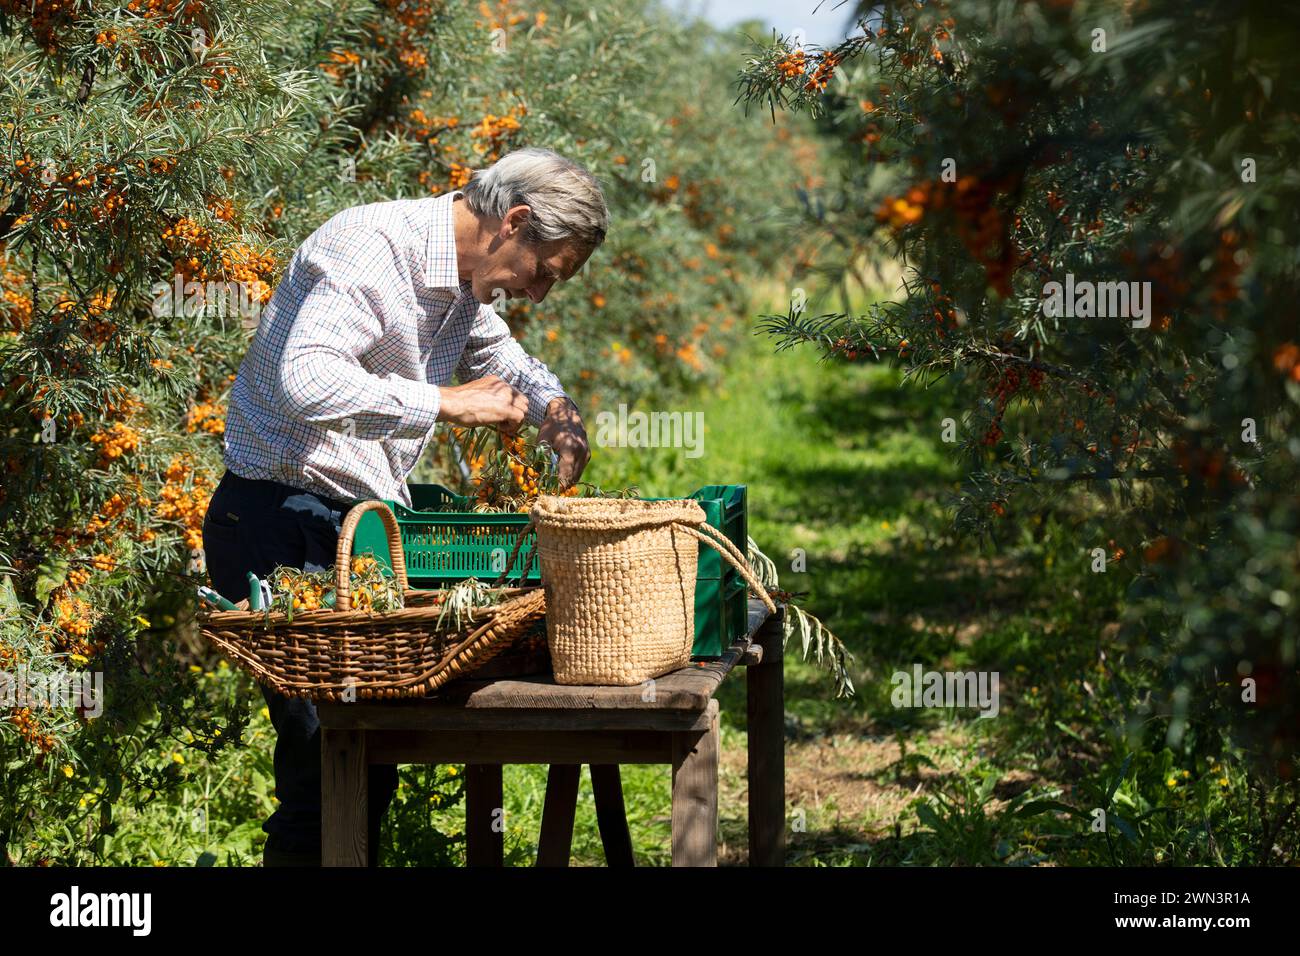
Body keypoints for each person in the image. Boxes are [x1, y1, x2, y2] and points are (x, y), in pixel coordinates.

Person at [201, 146, 606, 866]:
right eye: (545, 272)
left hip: (351, 527)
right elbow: (307, 379)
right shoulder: (369, 248)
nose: (540, 293)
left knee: (364, 763)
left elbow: (504, 359)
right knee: (327, 766)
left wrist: (556, 409)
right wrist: (444, 401)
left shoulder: (462, 285)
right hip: (276, 523)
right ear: (513, 222)